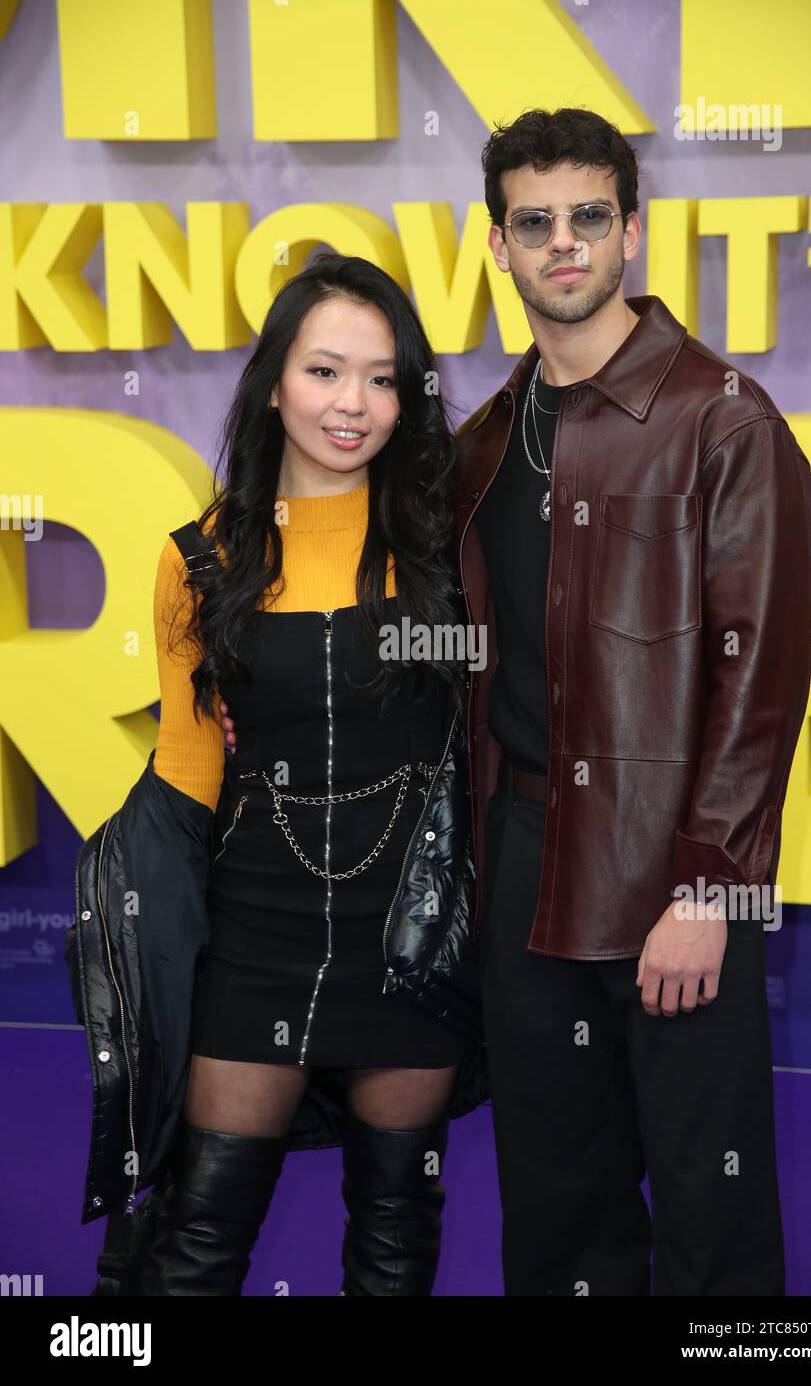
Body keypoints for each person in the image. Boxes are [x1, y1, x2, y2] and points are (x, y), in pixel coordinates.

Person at [224, 108, 811, 1296]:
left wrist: (707, 886)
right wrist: (264, 690)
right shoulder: (485, 441)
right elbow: (443, 642)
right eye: (533, 221)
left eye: (586, 217)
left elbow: (757, 681)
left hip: (671, 875)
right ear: (496, 245)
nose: (562, 243)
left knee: (711, 1209)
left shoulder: (722, 421)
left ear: (630, 233)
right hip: (519, 869)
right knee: (555, 1200)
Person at [137, 251, 483, 1296]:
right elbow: (188, 766)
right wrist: (146, 952)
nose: (354, 404)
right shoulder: (197, 559)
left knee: (393, 1236)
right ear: (274, 379)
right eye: (326, 371)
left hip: (412, 940)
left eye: (383, 379)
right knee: (197, 1238)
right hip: (256, 937)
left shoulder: (445, 548)